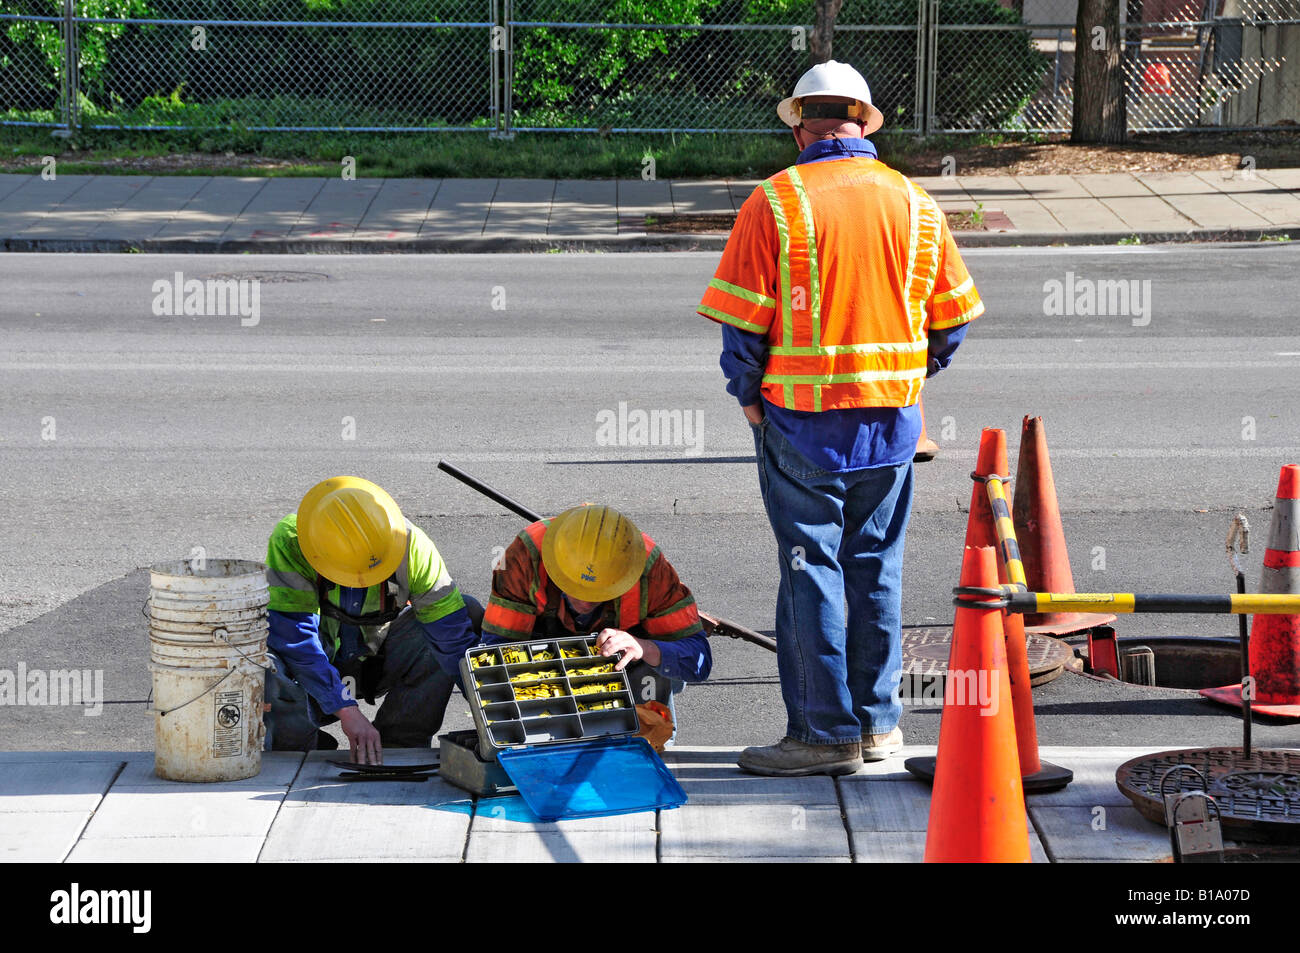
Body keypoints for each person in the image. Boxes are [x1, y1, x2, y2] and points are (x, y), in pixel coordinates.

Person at [696, 60, 983, 776]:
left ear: (802, 126)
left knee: (810, 573)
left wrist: (749, 396)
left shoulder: (776, 201)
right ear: (863, 123)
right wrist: (909, 380)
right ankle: (880, 725)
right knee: (876, 572)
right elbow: (950, 325)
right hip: (890, 429)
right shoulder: (917, 204)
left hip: (800, 425)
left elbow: (741, 327)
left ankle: (823, 734)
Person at [263, 476, 481, 764]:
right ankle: (298, 751)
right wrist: (344, 708)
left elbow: (453, 642)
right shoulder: (292, 540)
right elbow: (295, 640)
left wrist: (492, 714)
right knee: (264, 659)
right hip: (316, 665)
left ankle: (399, 745)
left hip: (377, 660)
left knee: (465, 611)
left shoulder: (412, 546)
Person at [480, 504, 711, 742]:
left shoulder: (648, 568)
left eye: (599, 592)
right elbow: (494, 651)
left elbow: (698, 662)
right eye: (573, 587)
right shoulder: (525, 555)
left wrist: (644, 647)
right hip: (543, 668)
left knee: (654, 655)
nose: (585, 601)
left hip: (624, 670)